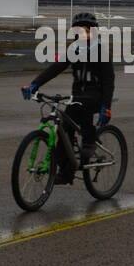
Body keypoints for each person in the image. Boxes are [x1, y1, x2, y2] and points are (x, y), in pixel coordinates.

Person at [21, 11, 115, 183]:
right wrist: (35, 84)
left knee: (80, 109)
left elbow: (109, 82)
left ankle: (89, 139)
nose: (84, 34)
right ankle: (66, 171)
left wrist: (106, 107)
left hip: (96, 97)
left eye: (87, 30)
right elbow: (55, 68)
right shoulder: (75, 50)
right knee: (64, 129)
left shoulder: (101, 51)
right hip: (78, 95)